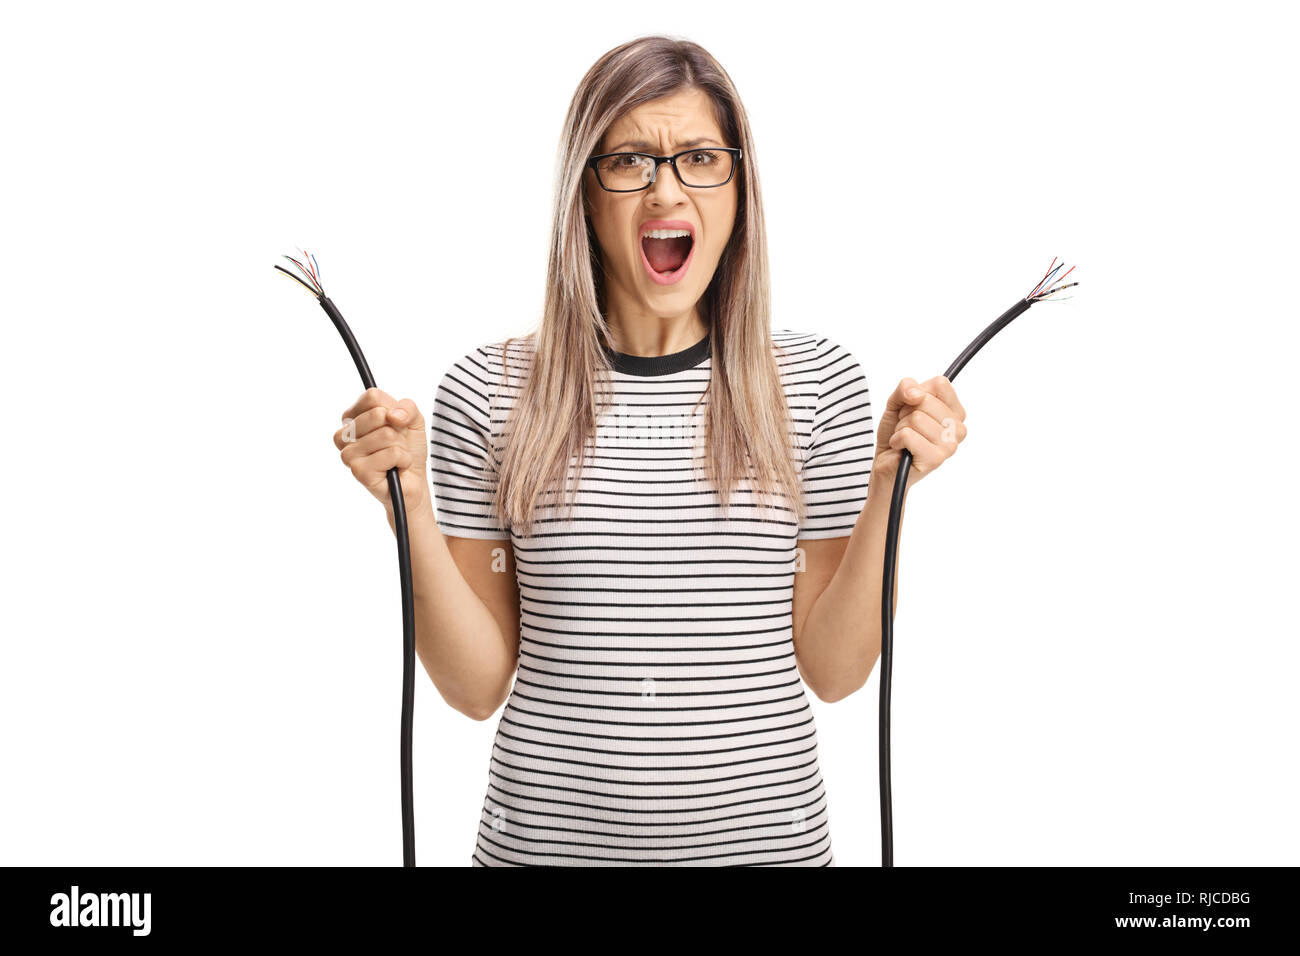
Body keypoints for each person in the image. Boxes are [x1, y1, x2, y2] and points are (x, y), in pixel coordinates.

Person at [334, 35, 968, 867]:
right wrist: (407, 502)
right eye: (629, 161)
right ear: (584, 196)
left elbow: (836, 669)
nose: (666, 188)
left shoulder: (816, 385)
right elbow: (474, 685)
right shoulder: (489, 390)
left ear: (739, 189)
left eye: (700, 157)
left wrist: (892, 482)